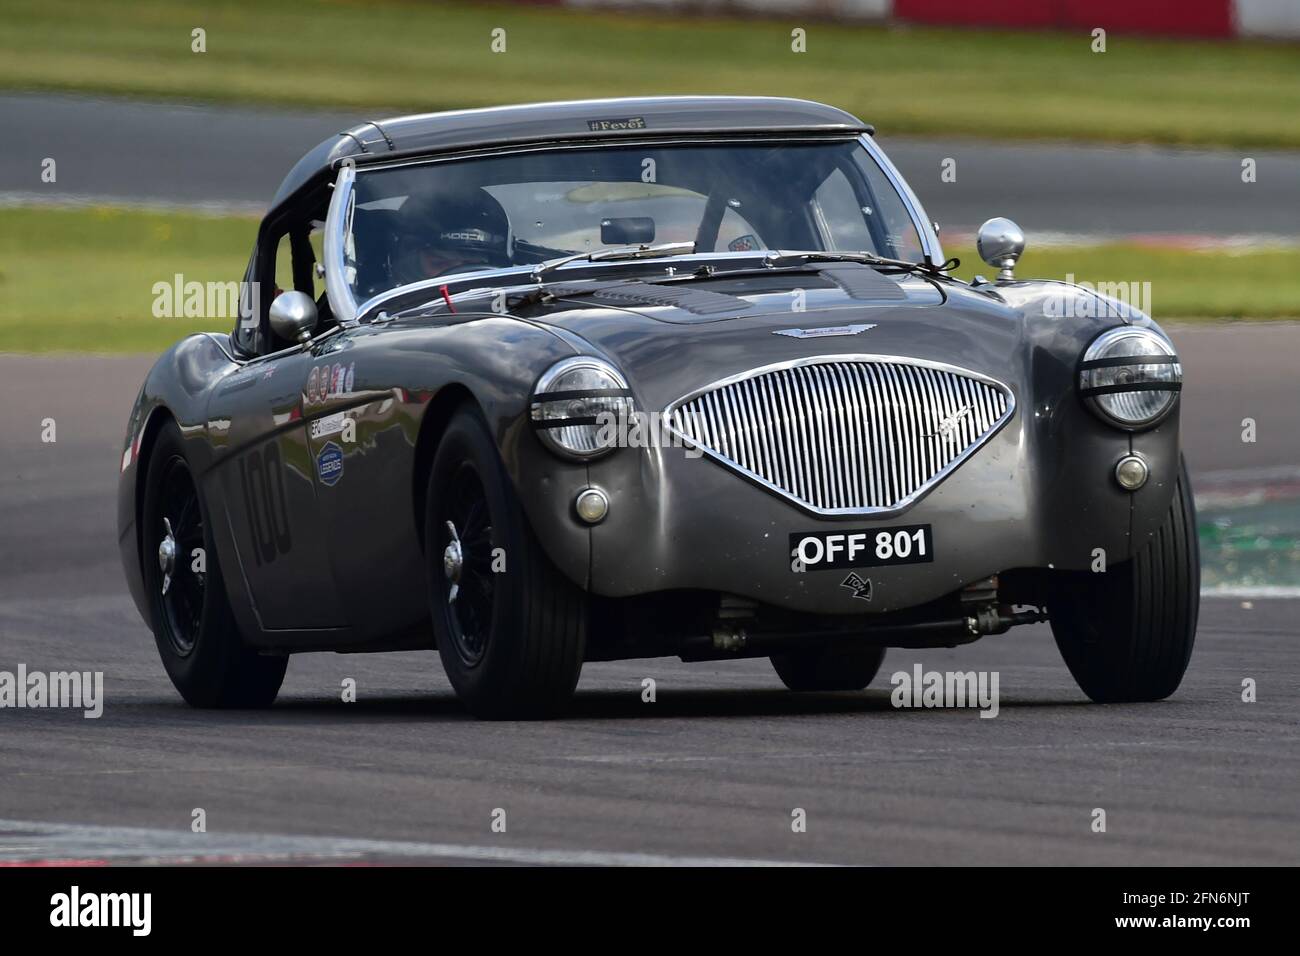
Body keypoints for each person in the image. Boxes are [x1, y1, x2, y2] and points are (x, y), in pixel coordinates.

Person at [389, 188, 513, 285]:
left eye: (471, 263)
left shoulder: (517, 302)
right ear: (412, 266)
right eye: (440, 263)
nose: (457, 277)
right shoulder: (384, 307)